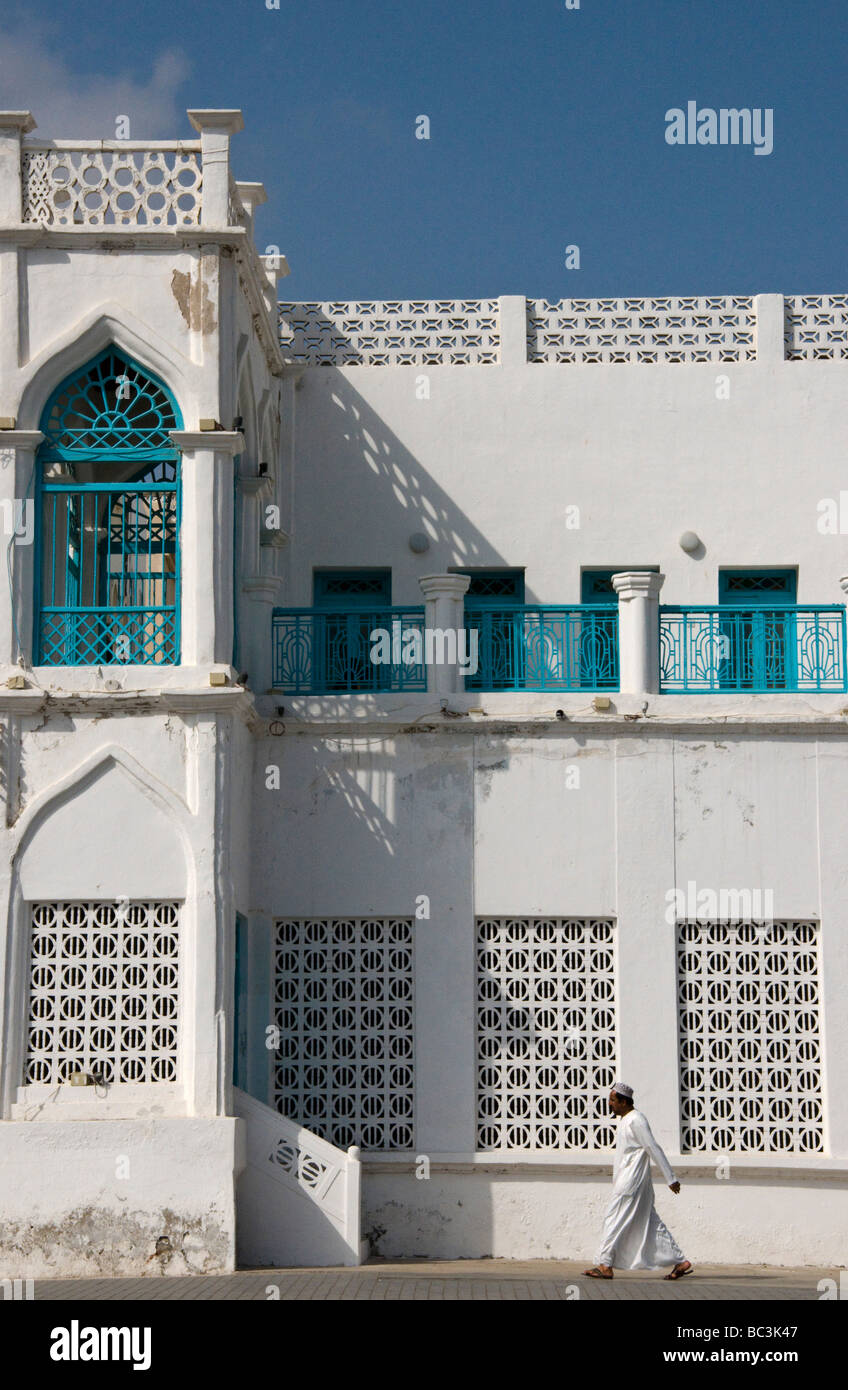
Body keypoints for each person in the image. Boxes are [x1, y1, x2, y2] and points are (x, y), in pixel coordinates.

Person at [584, 1082, 692, 1280]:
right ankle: (680, 1262)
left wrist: (671, 1178)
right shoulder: (627, 1120)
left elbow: (653, 1148)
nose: (610, 1104)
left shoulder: (636, 1120)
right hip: (632, 1183)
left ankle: (605, 1265)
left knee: (613, 1219)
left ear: (624, 1102)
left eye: (613, 1100)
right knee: (651, 1223)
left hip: (631, 1184)